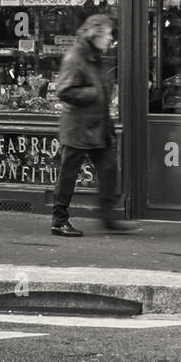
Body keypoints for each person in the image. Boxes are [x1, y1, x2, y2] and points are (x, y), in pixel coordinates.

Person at [50, 13, 138, 237]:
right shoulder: (75, 57)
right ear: (95, 34)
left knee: (109, 171)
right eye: (107, 34)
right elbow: (63, 90)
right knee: (68, 175)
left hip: (99, 126)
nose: (110, 38)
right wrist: (94, 93)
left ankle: (108, 218)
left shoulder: (95, 56)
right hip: (78, 127)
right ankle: (59, 221)